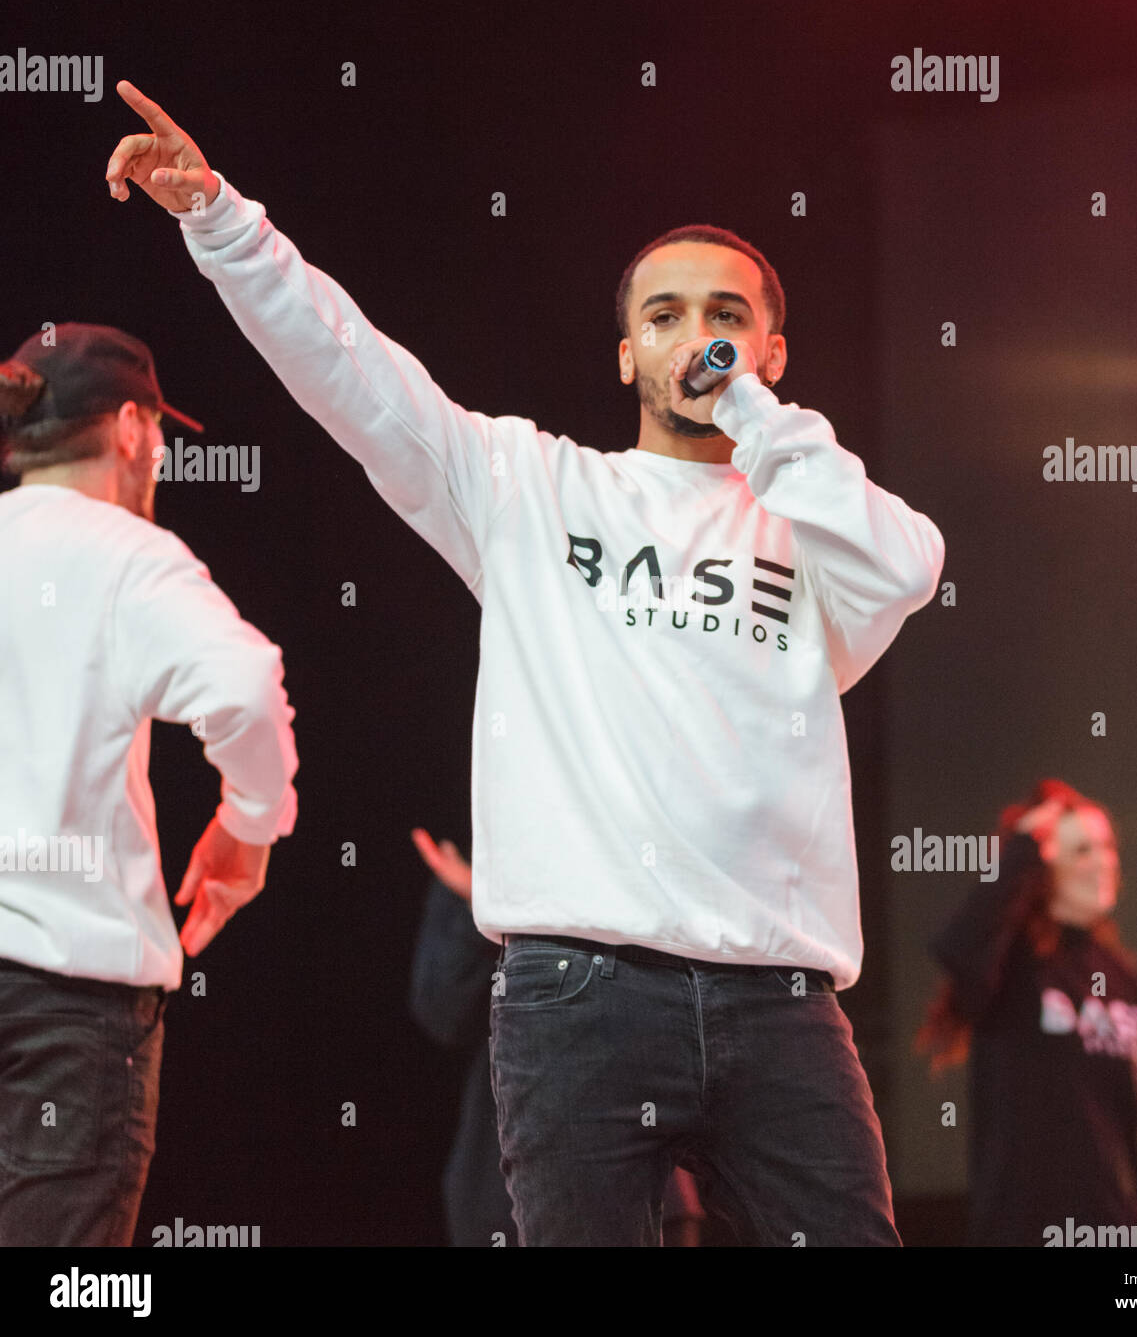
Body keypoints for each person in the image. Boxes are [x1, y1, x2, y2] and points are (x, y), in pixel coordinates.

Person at [105, 79, 944, 1246]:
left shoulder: (814, 526)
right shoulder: (531, 487)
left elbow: (909, 565)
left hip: (783, 1003)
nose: (693, 336)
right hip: (577, 999)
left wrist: (755, 412)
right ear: (622, 354)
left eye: (723, 316)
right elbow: (355, 377)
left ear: (770, 348)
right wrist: (223, 223)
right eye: (662, 315)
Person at [0, 323, 299, 1246]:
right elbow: (246, 689)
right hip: (63, 1011)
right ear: (131, 428)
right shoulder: (127, 557)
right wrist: (248, 830)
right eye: (160, 434)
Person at [917, 779, 1137, 1247]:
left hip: (1124, 1230)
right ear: (1044, 871)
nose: (1102, 860)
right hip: (1029, 1231)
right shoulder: (1014, 962)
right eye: (1082, 850)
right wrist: (1023, 845)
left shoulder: (1123, 975)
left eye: (1106, 846)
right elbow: (958, 947)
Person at [407, 829, 707, 1246]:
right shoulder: (485, 856)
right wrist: (482, 906)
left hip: (647, 1177)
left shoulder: (637, 833)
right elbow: (441, 1013)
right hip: (506, 1187)